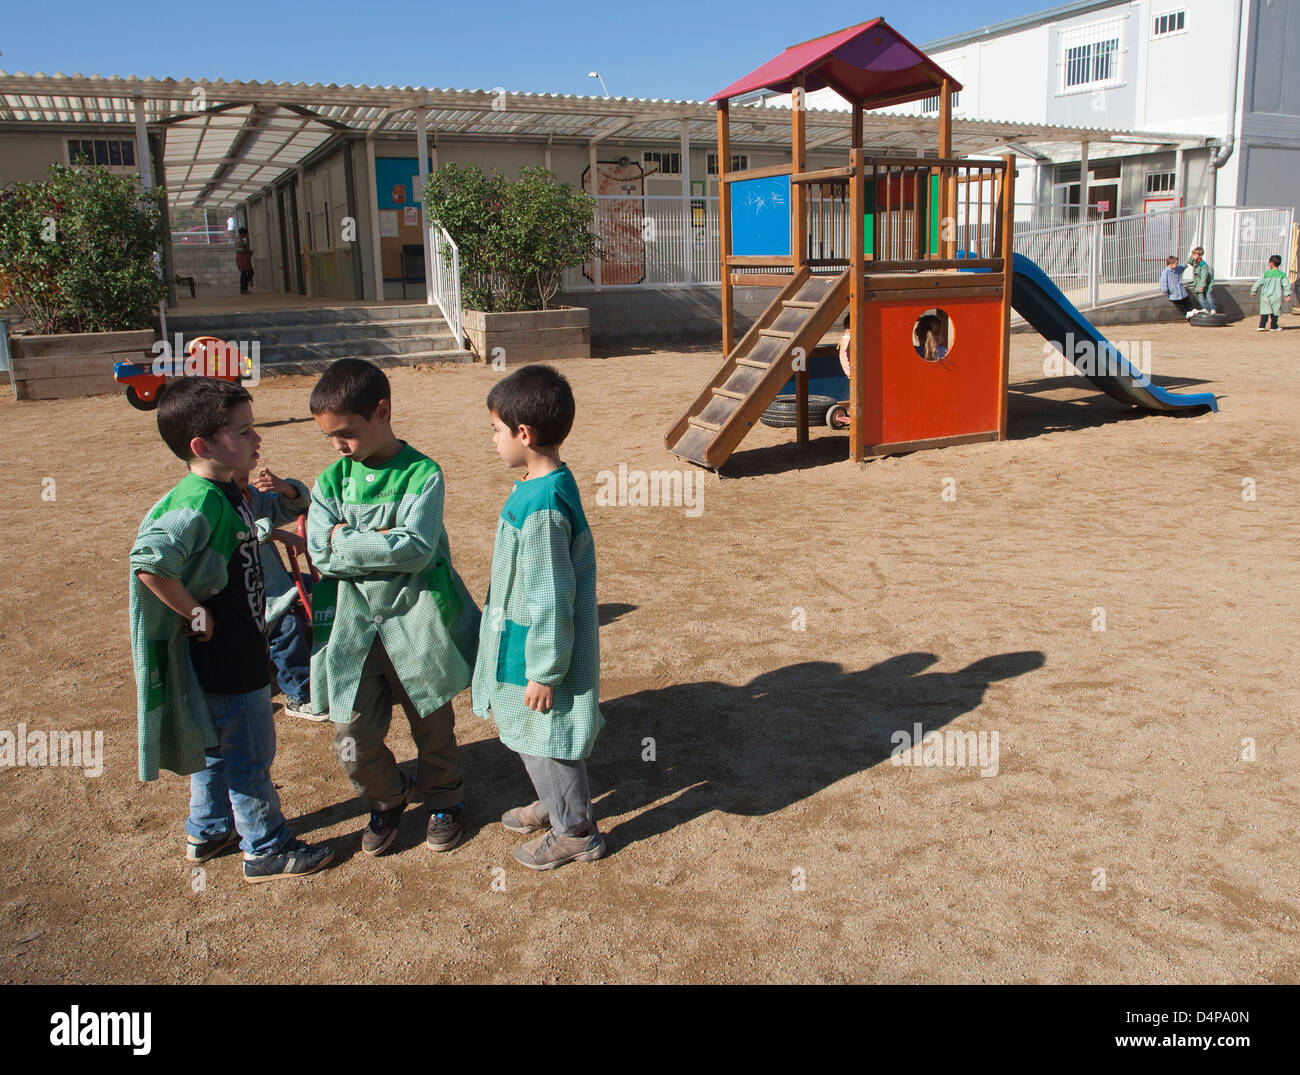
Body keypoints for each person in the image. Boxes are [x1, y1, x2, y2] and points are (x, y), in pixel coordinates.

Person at [129, 377, 334, 882]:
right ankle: (265, 847)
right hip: (228, 653)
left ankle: (209, 828)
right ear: (203, 446)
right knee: (250, 755)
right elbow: (149, 563)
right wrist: (195, 613)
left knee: (217, 748)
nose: (256, 439)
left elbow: (287, 507)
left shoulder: (228, 489)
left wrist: (284, 496)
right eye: (244, 432)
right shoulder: (198, 502)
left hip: (232, 648)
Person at [306, 358, 480, 856]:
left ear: (382, 412)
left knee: (434, 724)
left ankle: (445, 799)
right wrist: (377, 539)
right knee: (350, 737)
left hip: (417, 622)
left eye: (347, 433)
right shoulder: (329, 482)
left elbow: (416, 549)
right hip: (351, 630)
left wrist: (347, 539)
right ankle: (388, 797)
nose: (339, 446)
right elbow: (319, 552)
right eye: (330, 437)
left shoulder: (423, 474)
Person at [472, 364, 605, 871]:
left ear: (523, 434)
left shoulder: (544, 506)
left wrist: (545, 670)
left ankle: (574, 829)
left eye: (495, 431)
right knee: (530, 734)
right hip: (519, 638)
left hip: (538, 648)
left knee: (551, 739)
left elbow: (551, 595)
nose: (493, 441)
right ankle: (555, 804)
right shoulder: (537, 482)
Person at [232, 465, 326, 721]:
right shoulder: (212, 502)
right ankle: (300, 695)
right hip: (250, 596)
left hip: (277, 581)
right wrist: (276, 532)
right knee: (287, 627)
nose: (243, 475)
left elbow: (296, 506)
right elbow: (236, 533)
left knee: (331, 590)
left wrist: (285, 488)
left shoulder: (248, 495)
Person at [1250, 254, 1287, 332]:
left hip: (1265, 296)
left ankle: (1261, 326)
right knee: (1275, 312)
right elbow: (1286, 285)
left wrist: (1253, 291)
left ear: (1271, 263)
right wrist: (1288, 295)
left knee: (1264, 311)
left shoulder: (1266, 274)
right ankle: (1273, 327)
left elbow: (1258, 283)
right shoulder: (1282, 274)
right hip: (1276, 296)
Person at [1188, 246, 1216, 313]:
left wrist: (1202, 286)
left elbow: (1204, 277)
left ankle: (1213, 308)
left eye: (1195, 255)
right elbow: (1189, 261)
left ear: (1200, 256)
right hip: (1199, 283)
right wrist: (1193, 254)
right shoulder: (1195, 262)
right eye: (1193, 254)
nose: (1193, 256)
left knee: (1208, 295)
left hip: (1207, 283)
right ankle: (1205, 308)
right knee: (1200, 296)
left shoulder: (1203, 265)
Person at [235, 227, 254, 294]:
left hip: (245, 257)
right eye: (245, 234)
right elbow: (237, 249)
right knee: (246, 272)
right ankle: (244, 288)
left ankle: (244, 288)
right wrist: (246, 250)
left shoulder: (242, 240)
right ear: (242, 233)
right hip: (242, 258)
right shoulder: (238, 241)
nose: (246, 235)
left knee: (246, 273)